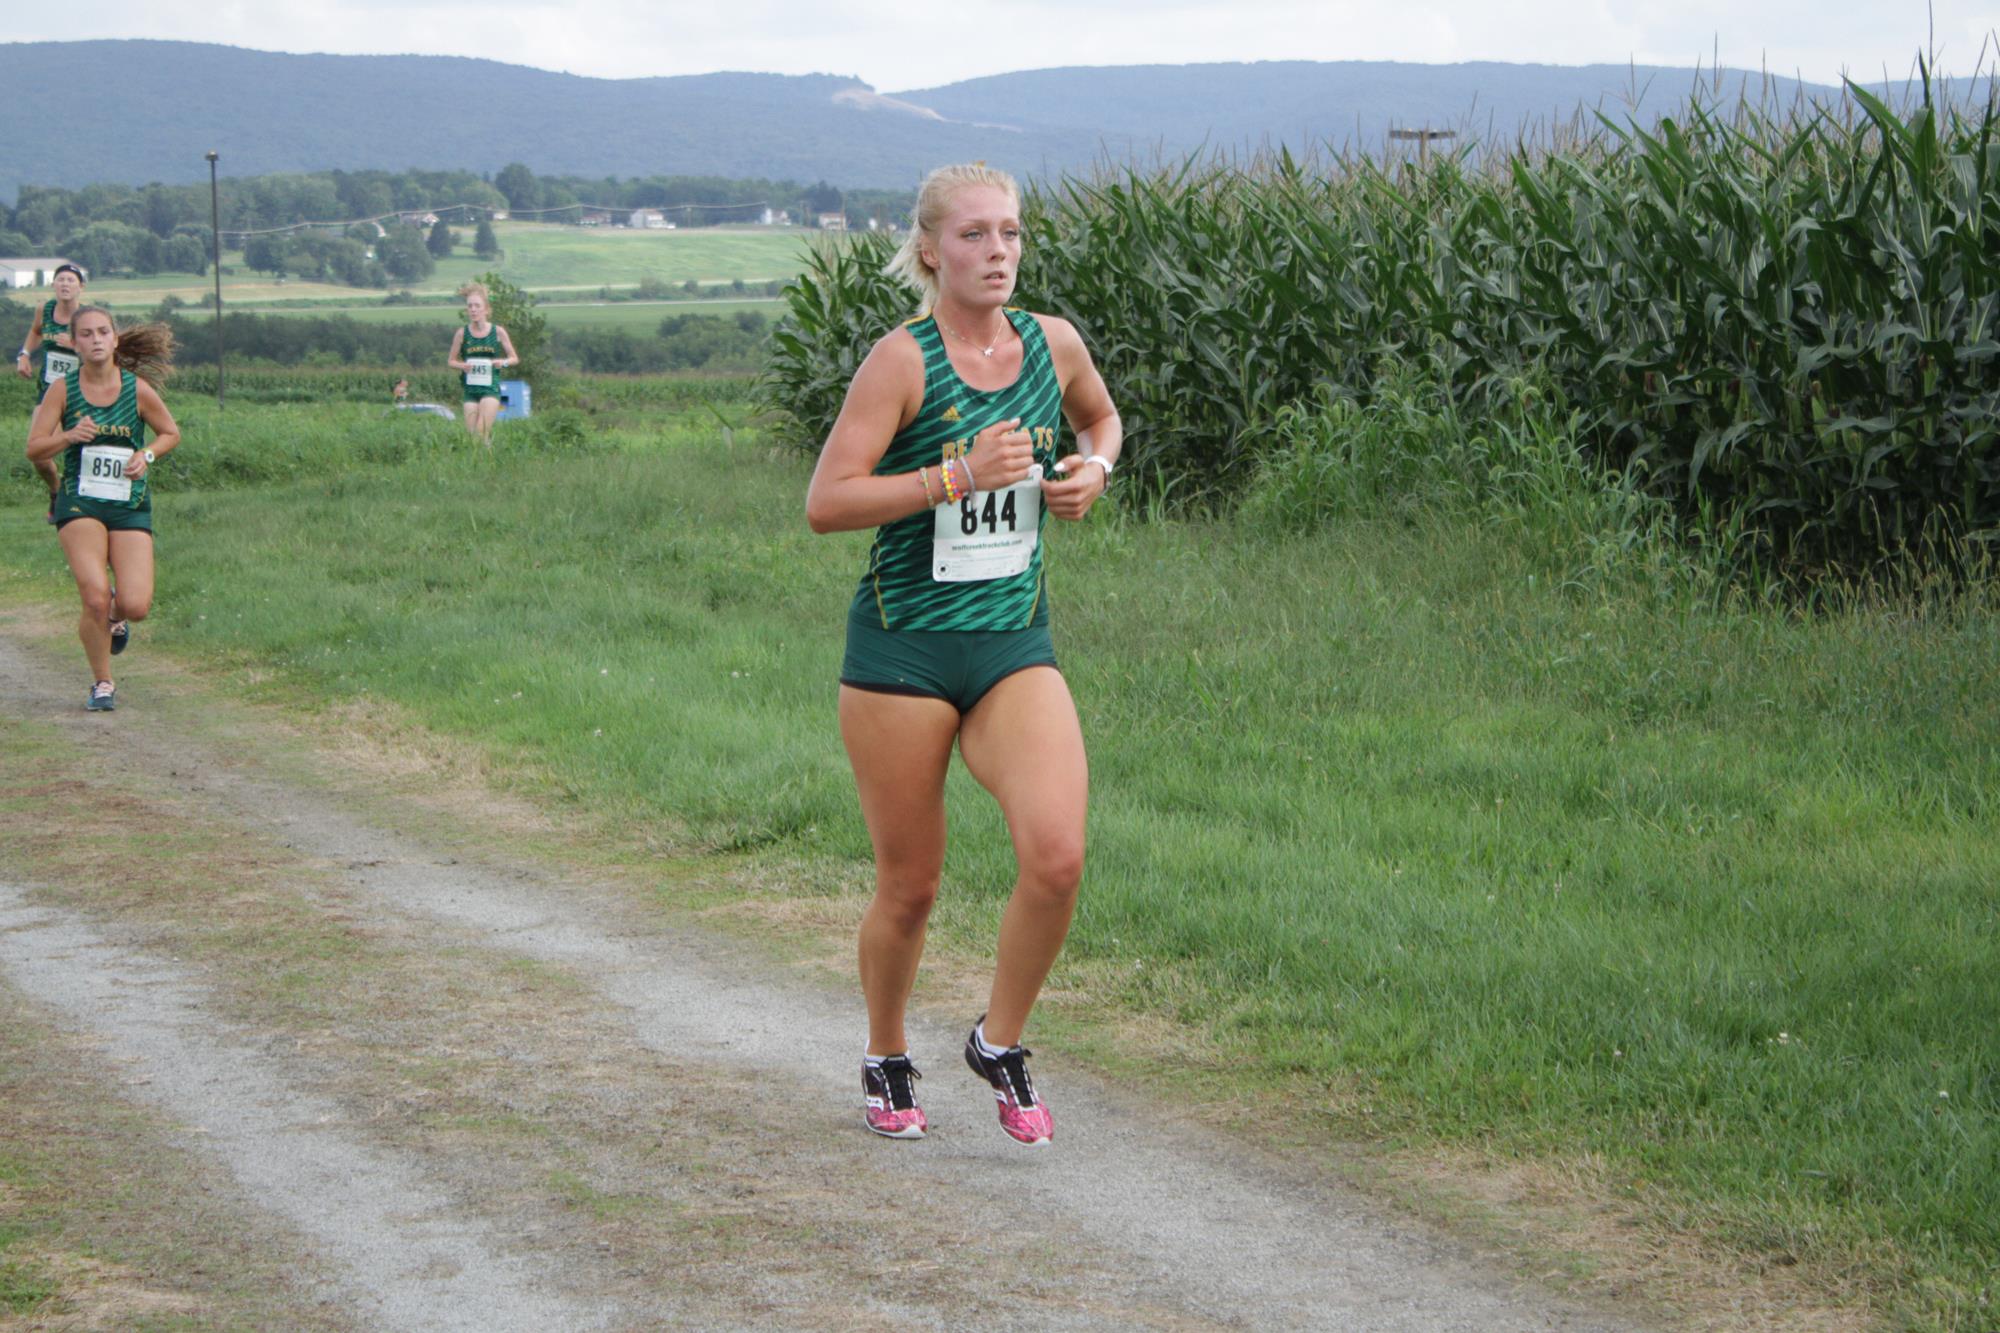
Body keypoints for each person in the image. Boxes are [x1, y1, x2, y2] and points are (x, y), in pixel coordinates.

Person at [804, 163, 1122, 1146]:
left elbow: (1100, 418)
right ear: (931, 250)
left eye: (1013, 234)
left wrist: (1091, 472)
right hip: (902, 653)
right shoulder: (901, 362)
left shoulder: (1050, 344)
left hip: (1010, 645)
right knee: (911, 886)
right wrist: (952, 474)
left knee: (1057, 855)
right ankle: (886, 1050)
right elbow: (827, 502)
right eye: (977, 236)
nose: (999, 254)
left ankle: (998, 1039)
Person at [24, 306, 180, 711]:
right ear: (74, 343)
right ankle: (102, 683)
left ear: (114, 339)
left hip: (129, 504)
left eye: (102, 332)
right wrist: (69, 436)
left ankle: (116, 614)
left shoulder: (136, 389)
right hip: (80, 501)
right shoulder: (63, 389)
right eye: (87, 334)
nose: (95, 339)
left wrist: (145, 455)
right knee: (92, 596)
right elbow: (35, 448)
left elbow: (169, 433)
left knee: (136, 605)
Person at [13, 262, 87, 522]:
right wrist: (24, 354)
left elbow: (106, 354)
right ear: (54, 285)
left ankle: (80, 503)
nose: (65, 284)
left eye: (71, 280)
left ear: (81, 287)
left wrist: (76, 346)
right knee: (40, 456)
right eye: (61, 280)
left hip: (80, 394)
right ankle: (57, 491)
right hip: (48, 393)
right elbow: (35, 332)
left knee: (81, 453)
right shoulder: (44, 311)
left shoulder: (86, 319)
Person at [445, 283, 518, 444]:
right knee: (473, 439)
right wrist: (462, 366)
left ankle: (489, 465)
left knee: (481, 433)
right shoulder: (462, 333)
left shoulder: (498, 332)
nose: (473, 309)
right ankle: (484, 464)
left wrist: (502, 362)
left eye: (477, 306)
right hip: (470, 391)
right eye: (470, 306)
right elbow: (451, 361)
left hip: (490, 389)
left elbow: (514, 358)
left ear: (486, 309)